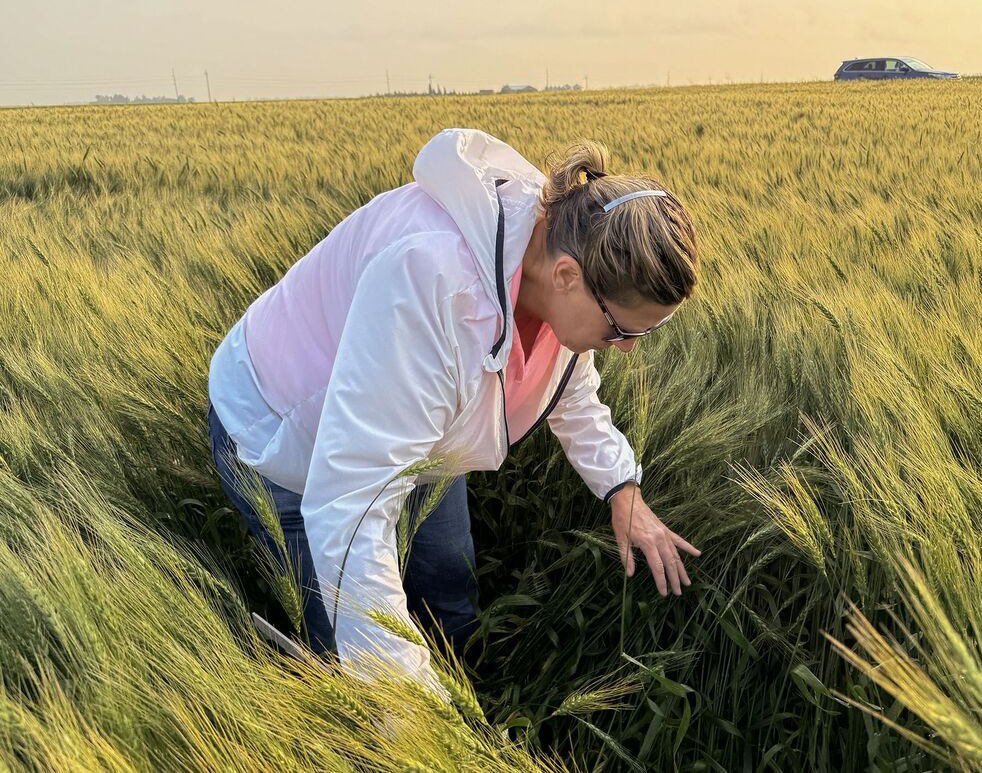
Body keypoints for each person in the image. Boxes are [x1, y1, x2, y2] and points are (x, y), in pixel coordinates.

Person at [206, 128, 701, 691]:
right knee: (347, 651)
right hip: (285, 441)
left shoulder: (562, 244)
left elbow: (564, 382)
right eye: (622, 329)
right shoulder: (433, 279)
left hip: (415, 428)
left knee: (446, 582)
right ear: (568, 277)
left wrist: (621, 489)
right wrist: (402, 693)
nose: (629, 346)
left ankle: (465, 689)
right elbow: (349, 504)